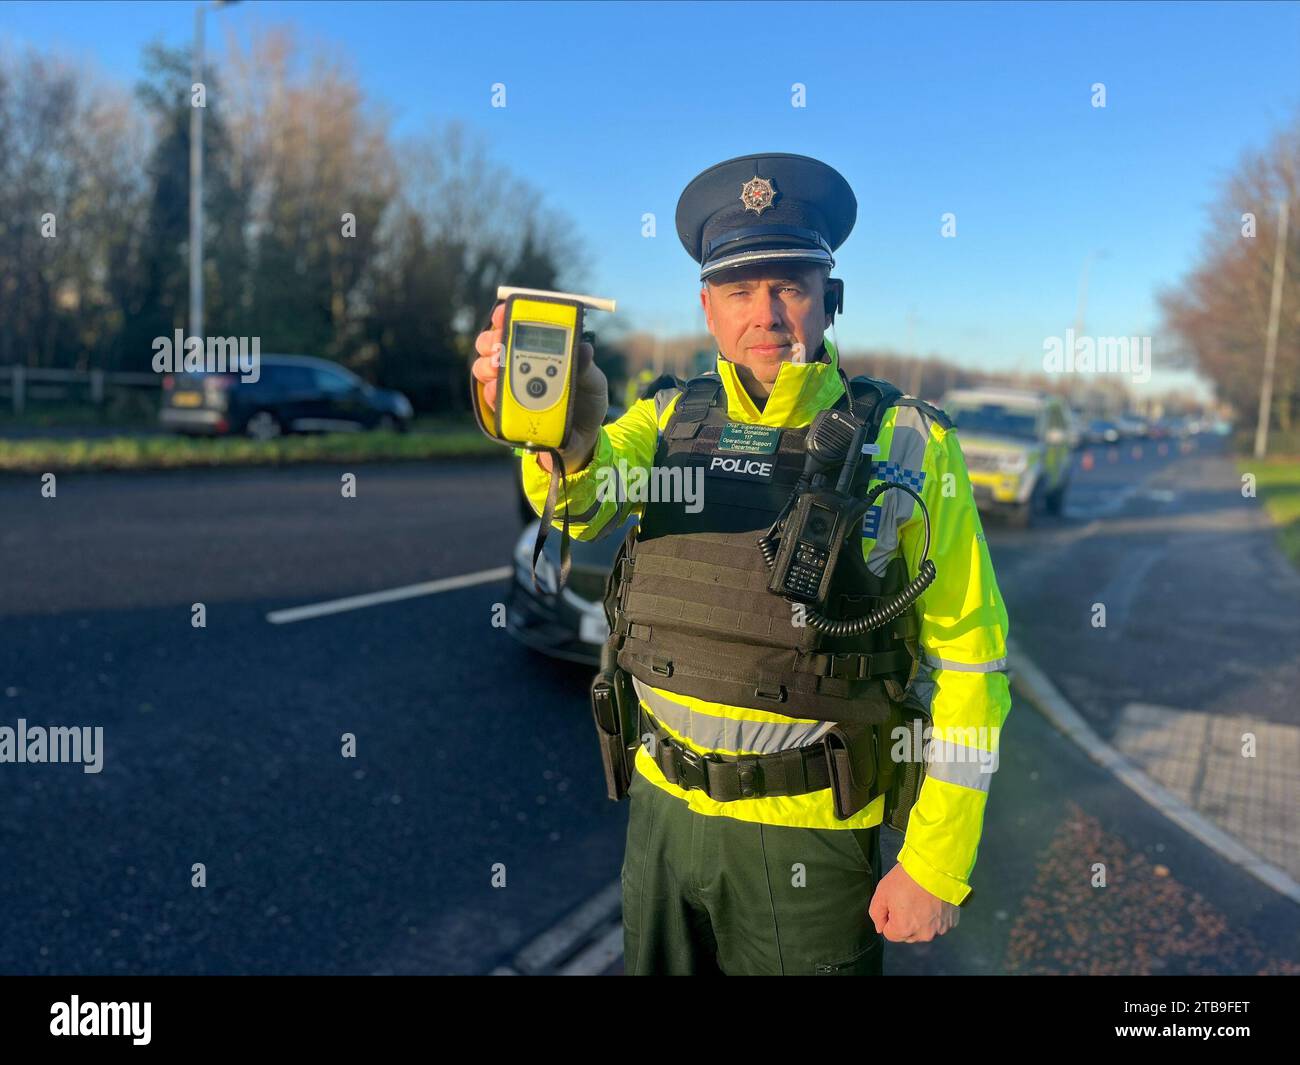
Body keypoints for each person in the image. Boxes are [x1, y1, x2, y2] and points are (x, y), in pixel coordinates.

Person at [471, 153, 1011, 975]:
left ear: (829, 298)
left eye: (789, 284)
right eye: (738, 289)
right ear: (708, 310)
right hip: (660, 818)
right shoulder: (663, 421)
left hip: (811, 839)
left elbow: (974, 661)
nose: (766, 313)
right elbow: (583, 501)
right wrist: (560, 439)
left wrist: (936, 861)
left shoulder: (910, 443)